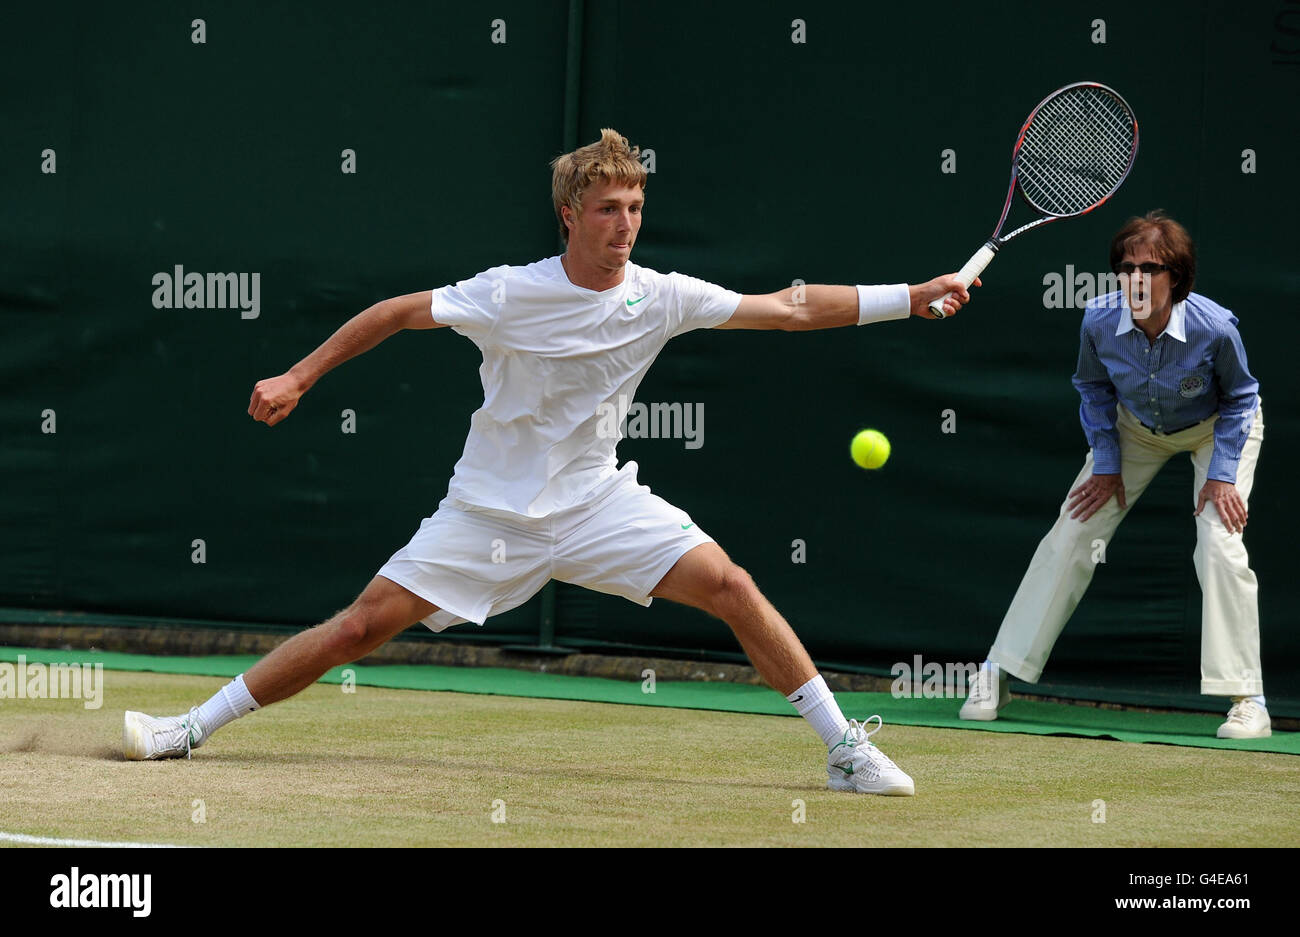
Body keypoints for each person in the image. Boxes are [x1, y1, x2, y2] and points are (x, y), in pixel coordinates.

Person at [124, 129, 976, 795]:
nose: (626, 223)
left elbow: (790, 308)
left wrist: (911, 296)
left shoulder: (663, 295)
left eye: (636, 205)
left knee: (734, 586)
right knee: (355, 628)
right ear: (569, 215)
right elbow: (393, 311)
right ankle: (190, 726)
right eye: (609, 208)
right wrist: (300, 374)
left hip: (598, 504)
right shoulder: (507, 291)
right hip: (488, 514)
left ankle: (841, 748)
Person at [960, 210, 1269, 739]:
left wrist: (1221, 474)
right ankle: (999, 671)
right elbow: (1093, 388)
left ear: (1177, 277)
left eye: (1151, 268)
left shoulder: (1215, 327)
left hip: (1218, 428)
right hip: (1133, 429)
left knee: (1219, 542)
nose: (1137, 280)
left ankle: (1249, 699)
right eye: (1126, 268)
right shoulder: (1099, 320)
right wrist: (1105, 463)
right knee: (1073, 531)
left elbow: (1242, 398)